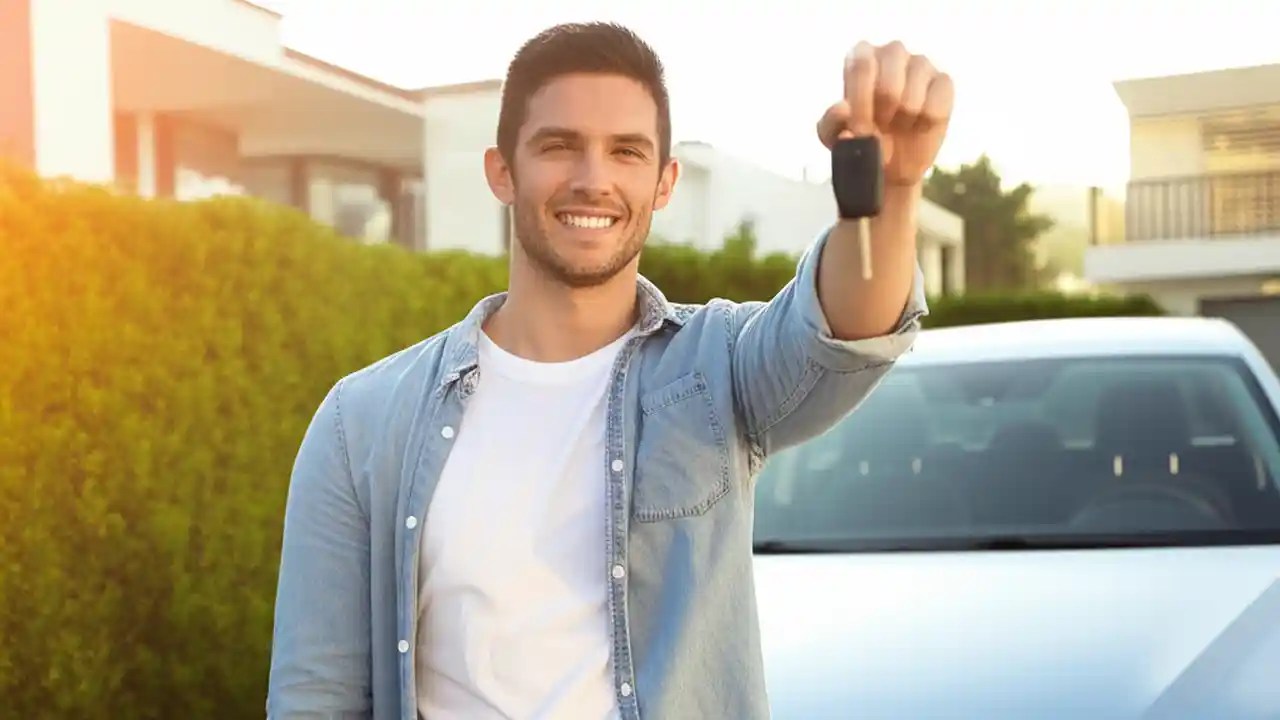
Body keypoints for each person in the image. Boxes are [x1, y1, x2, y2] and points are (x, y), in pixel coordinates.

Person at [267, 21, 952, 720]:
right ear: (502, 171)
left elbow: (842, 334)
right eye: (559, 146)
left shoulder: (715, 369)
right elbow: (315, 695)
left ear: (663, 183)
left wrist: (894, 190)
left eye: (626, 152)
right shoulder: (364, 421)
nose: (593, 180)